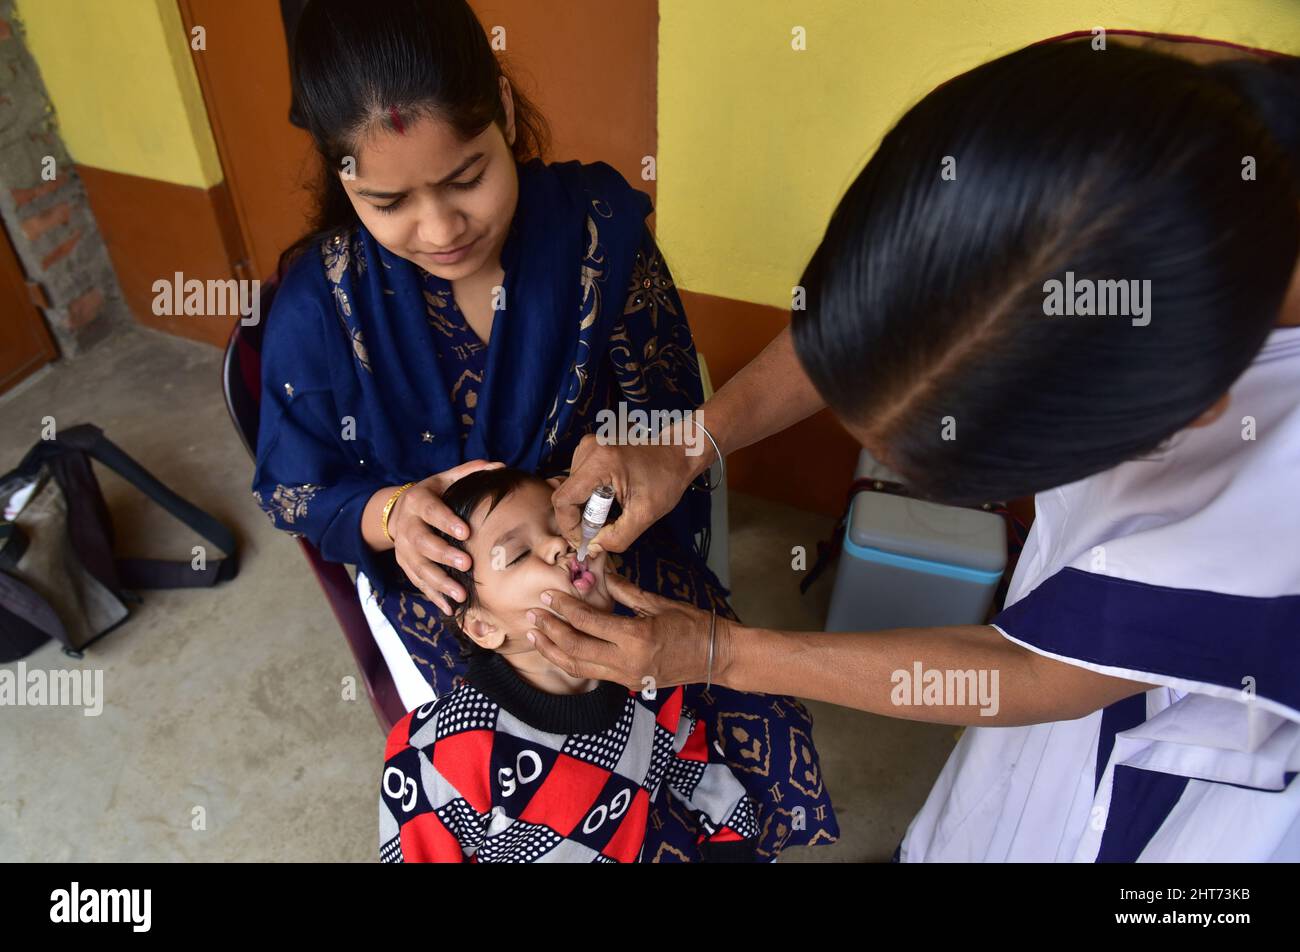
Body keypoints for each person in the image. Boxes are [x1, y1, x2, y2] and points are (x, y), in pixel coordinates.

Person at [534, 38, 1300, 861]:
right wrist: (689, 444)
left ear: (1195, 414)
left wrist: (726, 654)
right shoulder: (1105, 106)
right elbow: (894, 314)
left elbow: (1045, 673)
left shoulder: (1269, 505)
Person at [251, 0, 837, 858]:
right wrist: (390, 515)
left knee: (713, 712)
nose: (441, 229)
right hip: (460, 594)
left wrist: (622, 479)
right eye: (388, 201)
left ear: (507, 113)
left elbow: (669, 411)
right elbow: (297, 488)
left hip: (611, 542)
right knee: (524, 783)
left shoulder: (596, 230)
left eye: (466, 177)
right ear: (342, 181)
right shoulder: (321, 302)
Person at [380, 467, 778, 862]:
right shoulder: (432, 755)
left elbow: (691, 758)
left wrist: (731, 838)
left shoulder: (650, 675)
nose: (559, 545)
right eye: (517, 554)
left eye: (563, 525)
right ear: (483, 627)